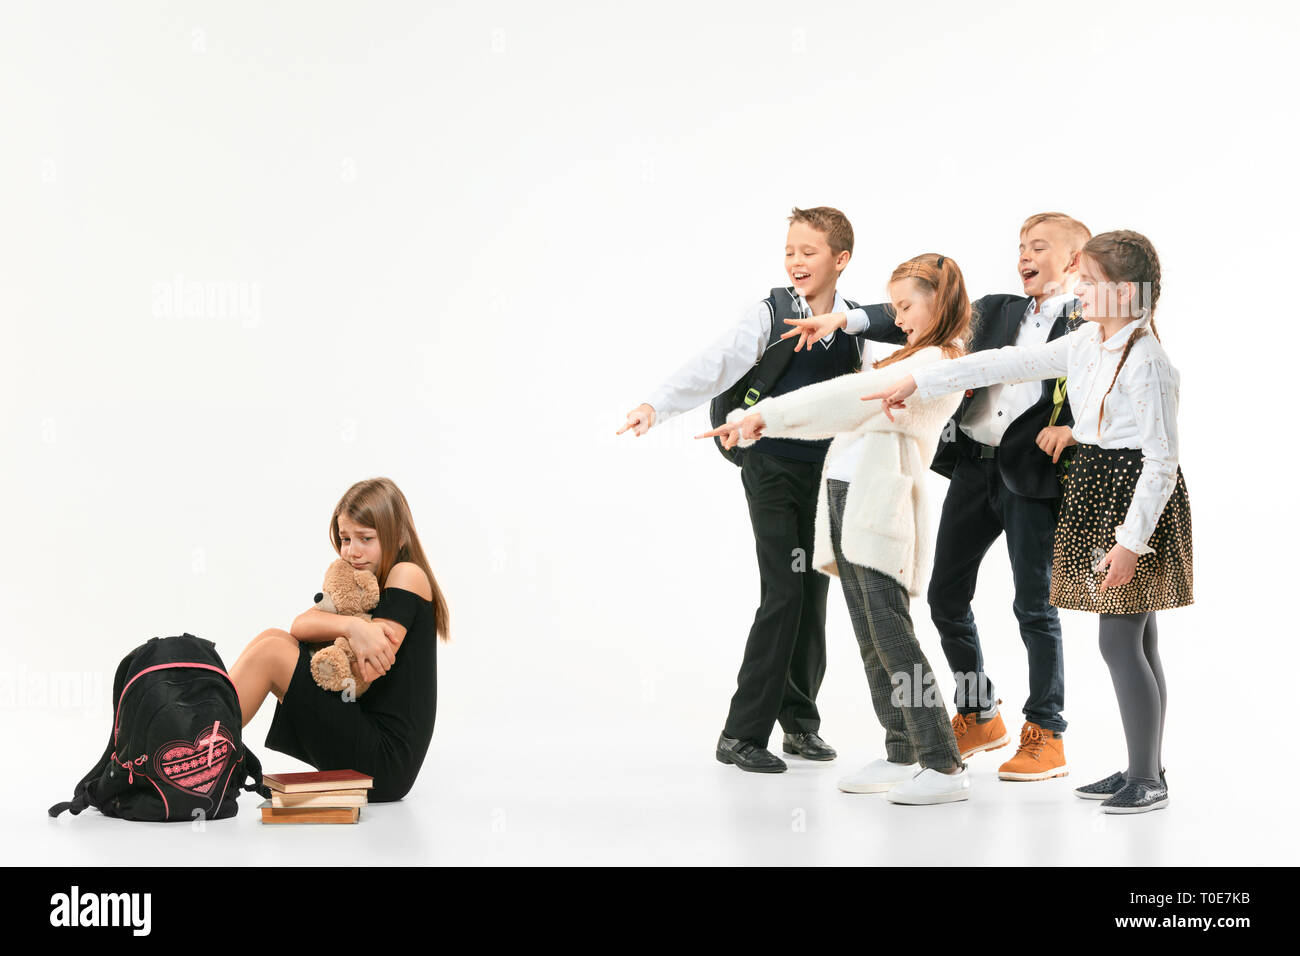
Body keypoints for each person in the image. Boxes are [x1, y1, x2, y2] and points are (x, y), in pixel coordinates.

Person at [867, 230, 1191, 813]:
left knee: (1122, 644)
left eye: (1089, 281)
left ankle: (1148, 778)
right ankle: (1144, 766)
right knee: (1137, 641)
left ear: (1124, 292)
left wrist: (1130, 544)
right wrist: (919, 379)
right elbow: (1008, 359)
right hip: (1098, 491)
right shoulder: (1090, 342)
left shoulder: (1149, 362)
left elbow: (1161, 464)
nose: (1079, 290)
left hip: (1130, 503)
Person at [782, 212, 1091, 782]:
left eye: (1038, 247)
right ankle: (978, 712)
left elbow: (1113, 382)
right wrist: (843, 318)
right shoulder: (998, 309)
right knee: (947, 598)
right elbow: (917, 312)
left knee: (1034, 607)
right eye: (1020, 245)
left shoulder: (1089, 321)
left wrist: (1073, 429)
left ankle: (1046, 729)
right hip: (975, 469)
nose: (1024, 255)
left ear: (1073, 262)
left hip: (1034, 477)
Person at [618, 206, 905, 774]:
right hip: (770, 465)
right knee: (785, 592)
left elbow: (896, 346)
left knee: (813, 590)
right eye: (789, 251)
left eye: (809, 251)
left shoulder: (856, 323)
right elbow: (716, 363)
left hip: (825, 470)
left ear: (841, 260)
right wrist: (658, 403)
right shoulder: (770, 313)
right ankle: (741, 733)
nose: (796, 261)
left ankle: (800, 725)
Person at [700, 253, 972, 805]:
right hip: (848, 502)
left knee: (893, 636)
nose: (897, 317)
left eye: (905, 306)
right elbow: (842, 414)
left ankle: (943, 763)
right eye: (892, 306)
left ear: (939, 303)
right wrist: (762, 424)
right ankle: (902, 750)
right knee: (872, 637)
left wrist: (765, 414)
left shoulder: (939, 361)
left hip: (881, 507)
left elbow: (847, 398)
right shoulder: (908, 354)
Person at [229, 477, 450, 802]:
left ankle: (193, 745)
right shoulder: (362, 582)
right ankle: (193, 736)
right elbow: (300, 625)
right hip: (363, 734)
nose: (352, 551)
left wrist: (347, 629)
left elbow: (369, 668)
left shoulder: (407, 574)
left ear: (399, 535)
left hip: (384, 764)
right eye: (345, 538)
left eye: (366, 538)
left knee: (273, 653)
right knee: (273, 639)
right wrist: (352, 627)